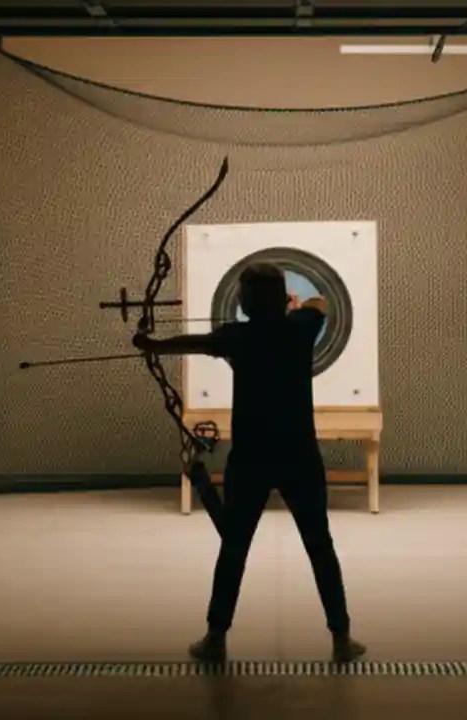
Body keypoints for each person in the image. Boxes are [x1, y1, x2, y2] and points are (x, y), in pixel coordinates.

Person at [133, 263, 367, 664]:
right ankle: (342, 638)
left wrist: (153, 346)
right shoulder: (302, 328)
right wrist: (294, 308)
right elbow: (321, 301)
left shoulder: (236, 336)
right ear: (280, 300)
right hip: (299, 455)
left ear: (243, 302)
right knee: (319, 546)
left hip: (252, 456)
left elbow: (192, 342)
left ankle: (215, 638)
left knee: (234, 547)